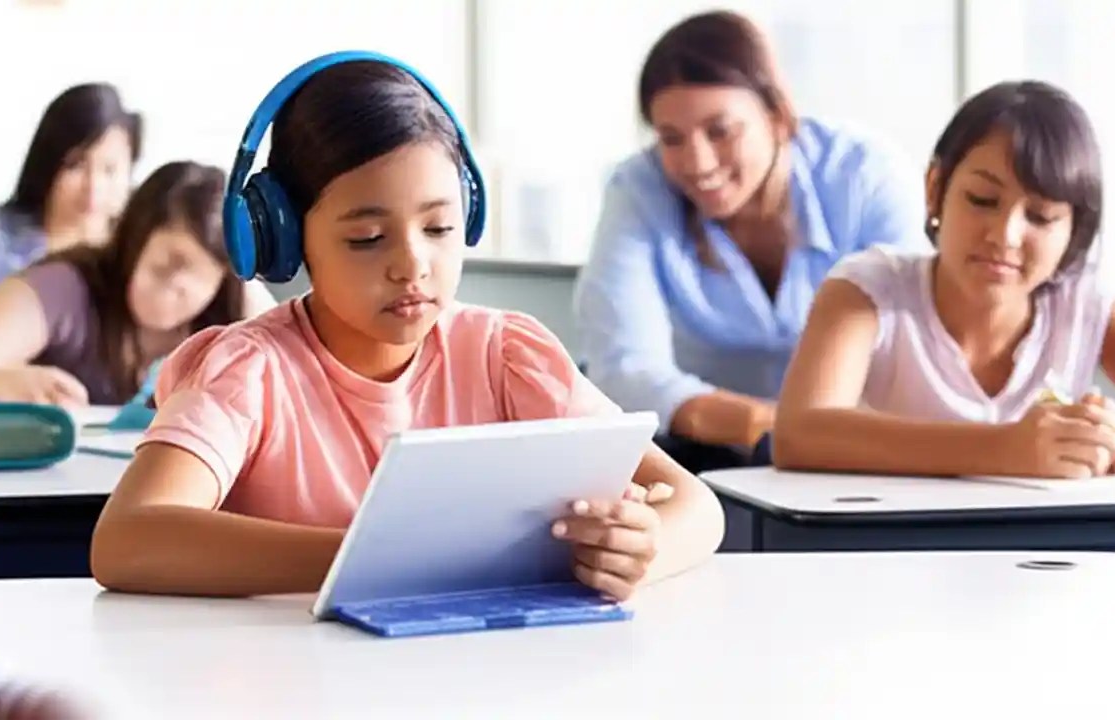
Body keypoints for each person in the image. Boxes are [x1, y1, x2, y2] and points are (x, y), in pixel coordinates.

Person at [88, 52, 724, 600]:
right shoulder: (249, 371)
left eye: (440, 228)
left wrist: (643, 551)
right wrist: (369, 560)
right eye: (367, 237)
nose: (413, 265)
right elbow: (128, 538)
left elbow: (698, 508)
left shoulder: (506, 355)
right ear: (282, 236)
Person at [773, 80, 1115, 478]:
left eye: (1041, 217)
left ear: (1073, 232)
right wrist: (1003, 448)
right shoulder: (868, 288)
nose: (1005, 236)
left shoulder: (1083, 302)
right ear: (935, 189)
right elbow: (800, 432)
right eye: (982, 199)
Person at [573, 10, 928, 474]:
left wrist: (822, 437)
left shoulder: (865, 176)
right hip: (692, 449)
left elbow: (916, 342)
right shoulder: (638, 190)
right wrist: (779, 427)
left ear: (779, 117)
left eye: (720, 131)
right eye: (671, 138)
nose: (697, 162)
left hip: (854, 448)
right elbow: (623, 369)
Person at [0, 161, 253, 408]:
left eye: (200, 277)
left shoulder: (231, 313)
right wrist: (12, 385)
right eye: (166, 265)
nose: (177, 285)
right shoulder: (62, 287)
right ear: (135, 241)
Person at [0, 83, 141, 304]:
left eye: (110, 170)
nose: (93, 186)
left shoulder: (138, 253)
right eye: (75, 165)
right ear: (48, 162)